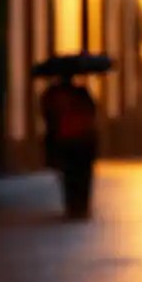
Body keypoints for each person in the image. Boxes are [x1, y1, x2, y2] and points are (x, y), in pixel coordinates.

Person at [40, 74, 98, 218]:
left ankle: (72, 205)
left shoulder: (53, 94)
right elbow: (93, 111)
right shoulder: (82, 93)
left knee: (69, 175)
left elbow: (47, 115)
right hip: (83, 141)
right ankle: (82, 205)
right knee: (83, 175)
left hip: (65, 141)